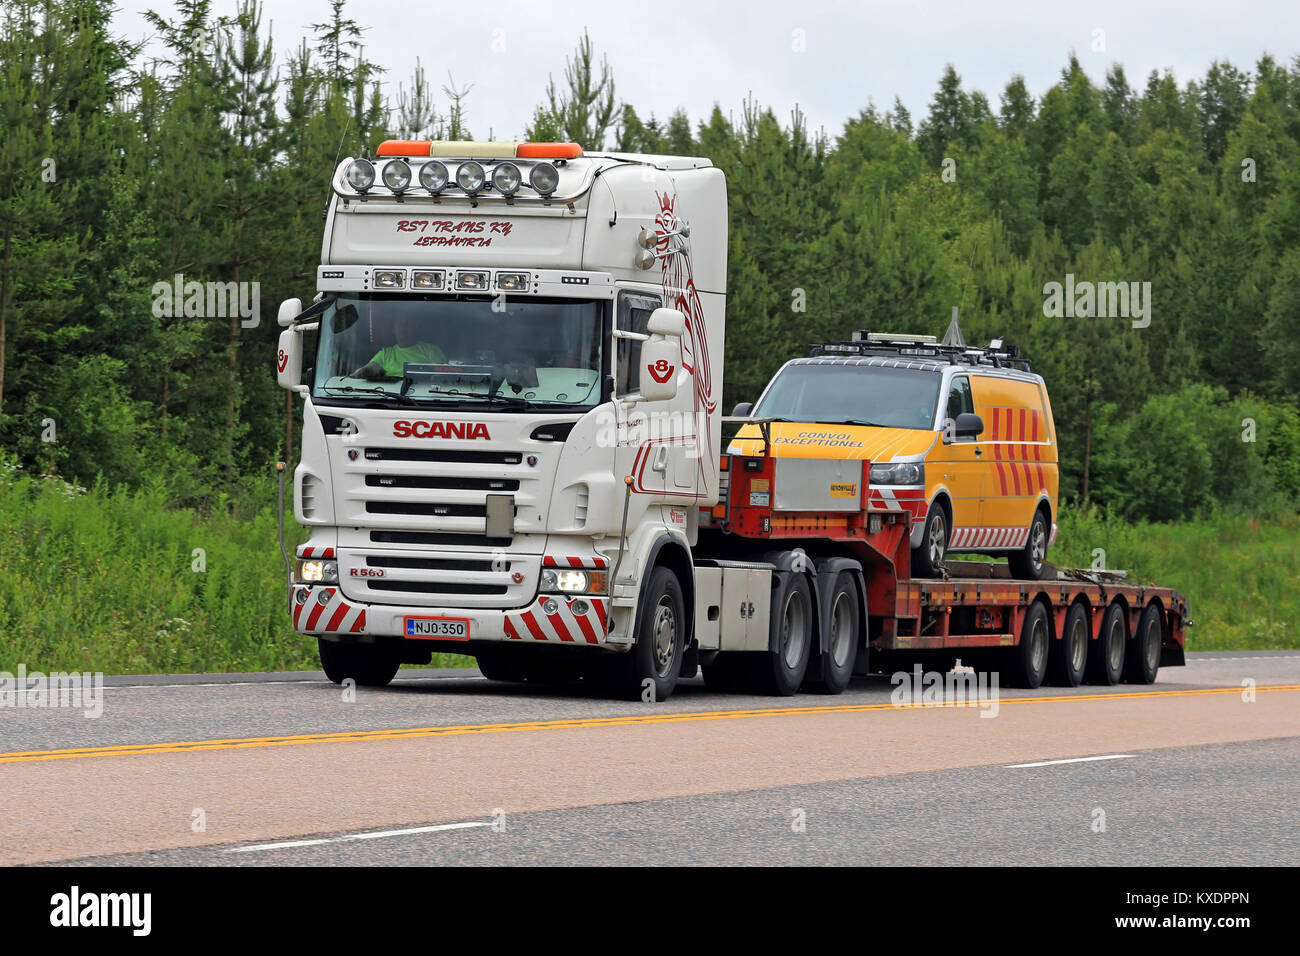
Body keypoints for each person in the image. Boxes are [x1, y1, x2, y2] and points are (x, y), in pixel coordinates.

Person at [351, 314, 446, 378]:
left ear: (415, 328)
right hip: (391, 398)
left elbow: (442, 376)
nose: (403, 329)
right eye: (400, 324)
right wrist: (358, 373)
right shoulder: (385, 353)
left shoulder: (430, 350)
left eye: (408, 324)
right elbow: (370, 368)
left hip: (422, 398)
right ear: (393, 330)